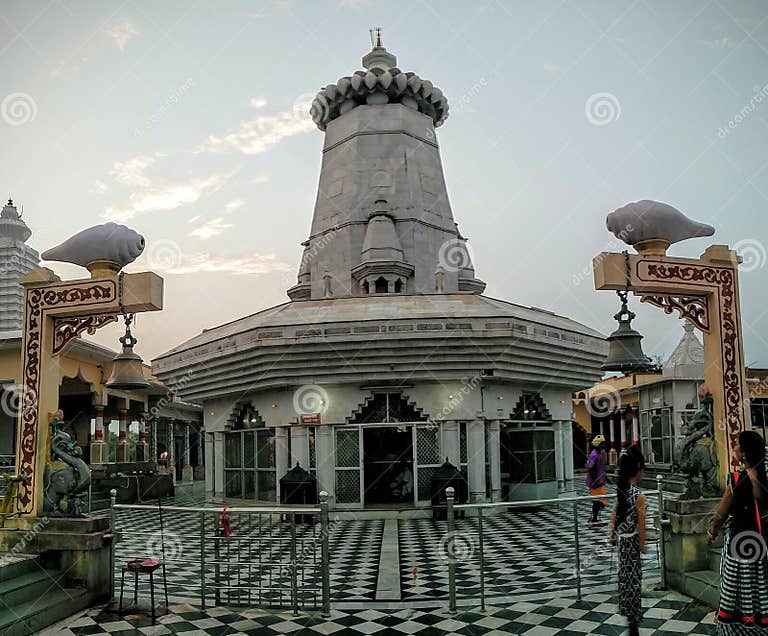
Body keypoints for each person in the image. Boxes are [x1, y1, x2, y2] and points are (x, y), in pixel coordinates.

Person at [707, 430, 768, 633]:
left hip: (737, 542)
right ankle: (758, 625)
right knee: (756, 584)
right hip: (758, 542)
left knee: (735, 587)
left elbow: (720, 514)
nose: (734, 448)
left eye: (736, 445)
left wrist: (712, 530)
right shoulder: (763, 478)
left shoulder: (736, 479)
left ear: (743, 453)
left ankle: (737, 627)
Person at [608, 444, 646, 636]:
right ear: (638, 470)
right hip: (632, 546)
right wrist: (643, 546)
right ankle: (633, 623)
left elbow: (613, 516)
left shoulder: (622, 491)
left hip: (622, 544)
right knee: (634, 582)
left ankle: (631, 621)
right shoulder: (639, 496)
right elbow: (642, 525)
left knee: (625, 581)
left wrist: (612, 535)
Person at [587, 434, 608, 523]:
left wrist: (605, 478)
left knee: (599, 500)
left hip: (599, 481)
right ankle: (594, 518)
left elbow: (600, 469)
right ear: (598, 444)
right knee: (597, 501)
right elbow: (591, 470)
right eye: (602, 444)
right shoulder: (594, 455)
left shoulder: (599, 454)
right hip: (594, 482)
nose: (604, 446)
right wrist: (598, 480)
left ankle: (594, 517)